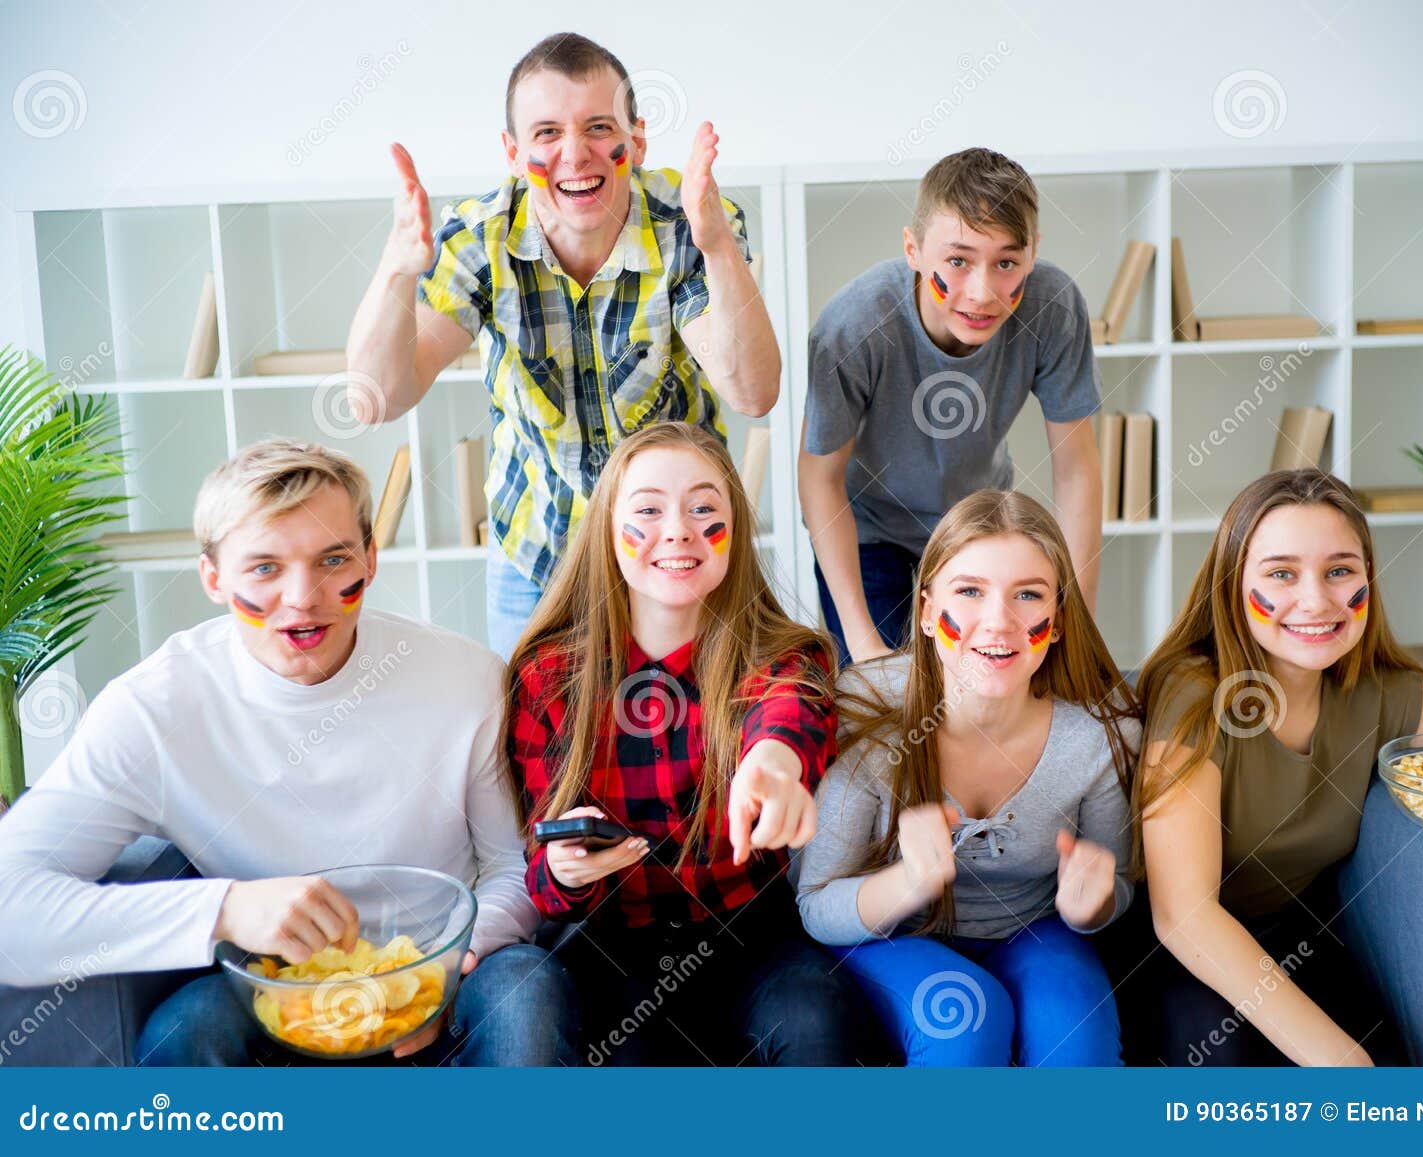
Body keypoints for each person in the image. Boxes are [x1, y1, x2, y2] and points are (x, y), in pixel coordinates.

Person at [0, 439, 573, 1066]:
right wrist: (225, 909)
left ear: (370, 560)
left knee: (525, 994)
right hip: (275, 986)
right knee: (185, 1029)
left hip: (457, 969)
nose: (303, 597)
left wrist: (446, 967)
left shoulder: (466, 676)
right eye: (265, 568)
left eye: (333, 559)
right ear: (213, 578)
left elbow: (511, 867)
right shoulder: (151, 709)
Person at [1134, 469, 1423, 1066]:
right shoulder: (1194, 695)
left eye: (1339, 571)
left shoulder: (1387, 693)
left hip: (1298, 939)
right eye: (1281, 573)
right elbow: (1184, 915)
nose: (1316, 600)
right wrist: (1340, 1061)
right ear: (1231, 584)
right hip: (1182, 953)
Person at [346, 32, 779, 657]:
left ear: (636, 140)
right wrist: (394, 270)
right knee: (533, 720)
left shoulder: (688, 223)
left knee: (699, 718)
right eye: (547, 133)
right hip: (537, 551)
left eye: (599, 127)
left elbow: (754, 392)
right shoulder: (479, 238)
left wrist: (717, 249)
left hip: (678, 549)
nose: (575, 154)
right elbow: (375, 400)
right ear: (514, 152)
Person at [506, 421, 884, 1065]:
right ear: (607, 532)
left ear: (735, 529)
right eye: (648, 510)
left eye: (704, 509)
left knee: (817, 1022)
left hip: (753, 937)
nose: (679, 530)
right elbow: (542, 875)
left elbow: (788, 713)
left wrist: (773, 764)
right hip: (610, 945)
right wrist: (565, 871)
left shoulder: (785, 654)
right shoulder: (547, 677)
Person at [797, 489, 1138, 1066]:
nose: (998, 622)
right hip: (893, 933)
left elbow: (1117, 883)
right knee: (965, 1023)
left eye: (1027, 594)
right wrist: (910, 882)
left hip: (1033, 930)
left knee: (1077, 1044)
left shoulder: (1099, 736)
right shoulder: (864, 712)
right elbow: (815, 905)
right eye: (970, 591)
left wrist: (1096, 906)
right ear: (927, 611)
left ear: (1057, 621)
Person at [798, 148, 1104, 665]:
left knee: (998, 680)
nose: (982, 293)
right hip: (871, 534)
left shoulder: (1053, 307)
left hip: (981, 525)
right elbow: (818, 476)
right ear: (913, 250)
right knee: (884, 691)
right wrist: (862, 642)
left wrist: (1080, 625)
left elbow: (1076, 469)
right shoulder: (853, 325)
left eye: (1006, 262)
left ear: (1033, 253)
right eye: (958, 261)